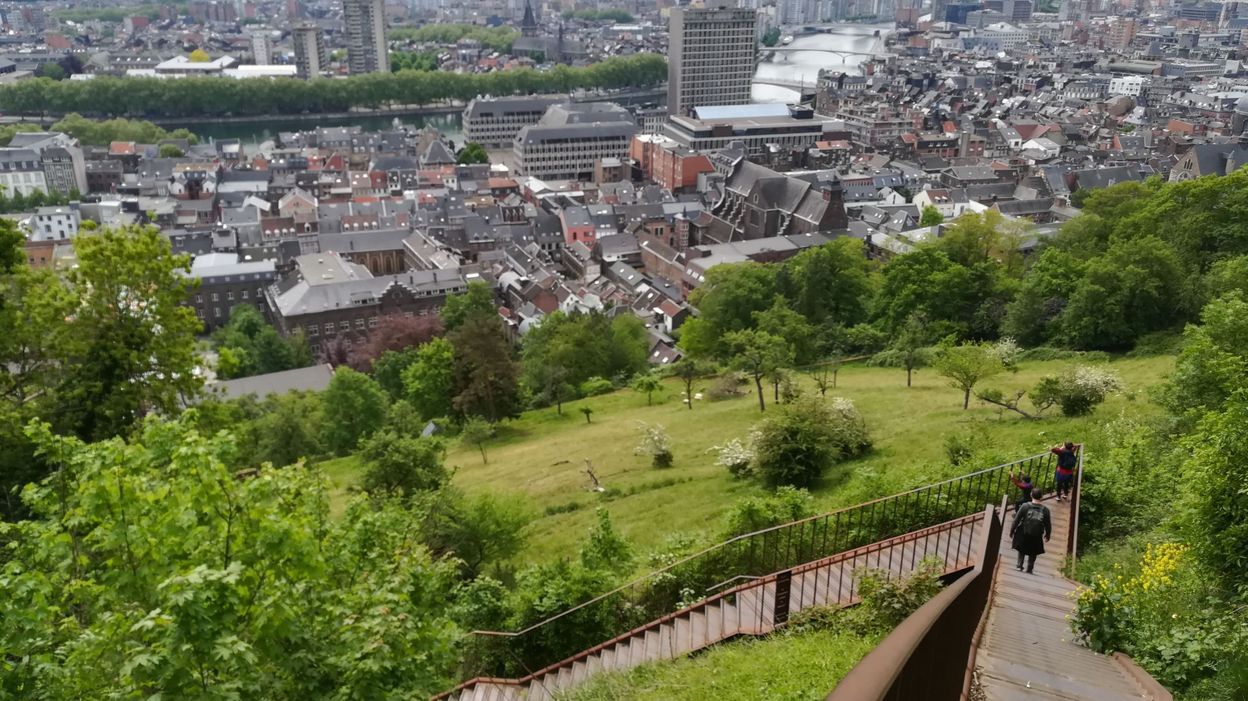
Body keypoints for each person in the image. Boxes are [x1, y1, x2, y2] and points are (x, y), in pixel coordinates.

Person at [1010, 489, 1051, 573]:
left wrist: (1012, 530)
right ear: (1041, 497)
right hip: (1037, 533)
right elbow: (1048, 524)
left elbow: (1016, 520)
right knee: (1034, 550)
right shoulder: (1045, 510)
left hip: (1024, 531)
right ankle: (1029, 568)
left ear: (1031, 495)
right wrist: (1048, 535)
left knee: (1021, 548)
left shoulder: (1025, 506)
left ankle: (1019, 565)